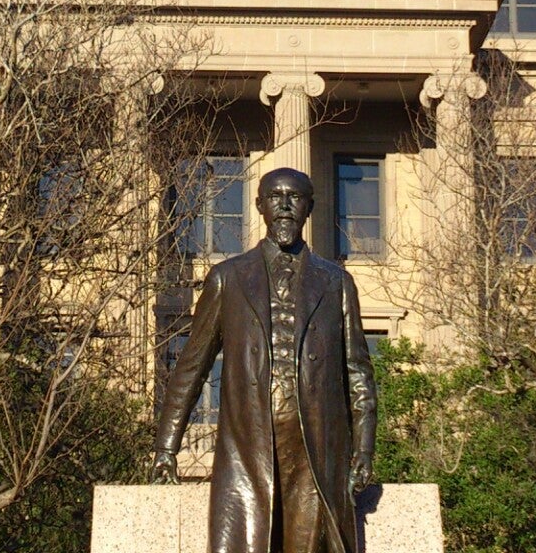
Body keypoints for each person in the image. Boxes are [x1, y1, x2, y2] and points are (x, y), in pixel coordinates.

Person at [151, 167, 376, 553]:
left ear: (310, 207)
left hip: (316, 447)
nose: (285, 207)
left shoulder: (336, 282)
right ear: (259, 205)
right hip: (248, 443)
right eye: (276, 197)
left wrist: (364, 450)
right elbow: (191, 367)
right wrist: (166, 447)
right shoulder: (228, 278)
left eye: (295, 198)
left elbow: (358, 373)